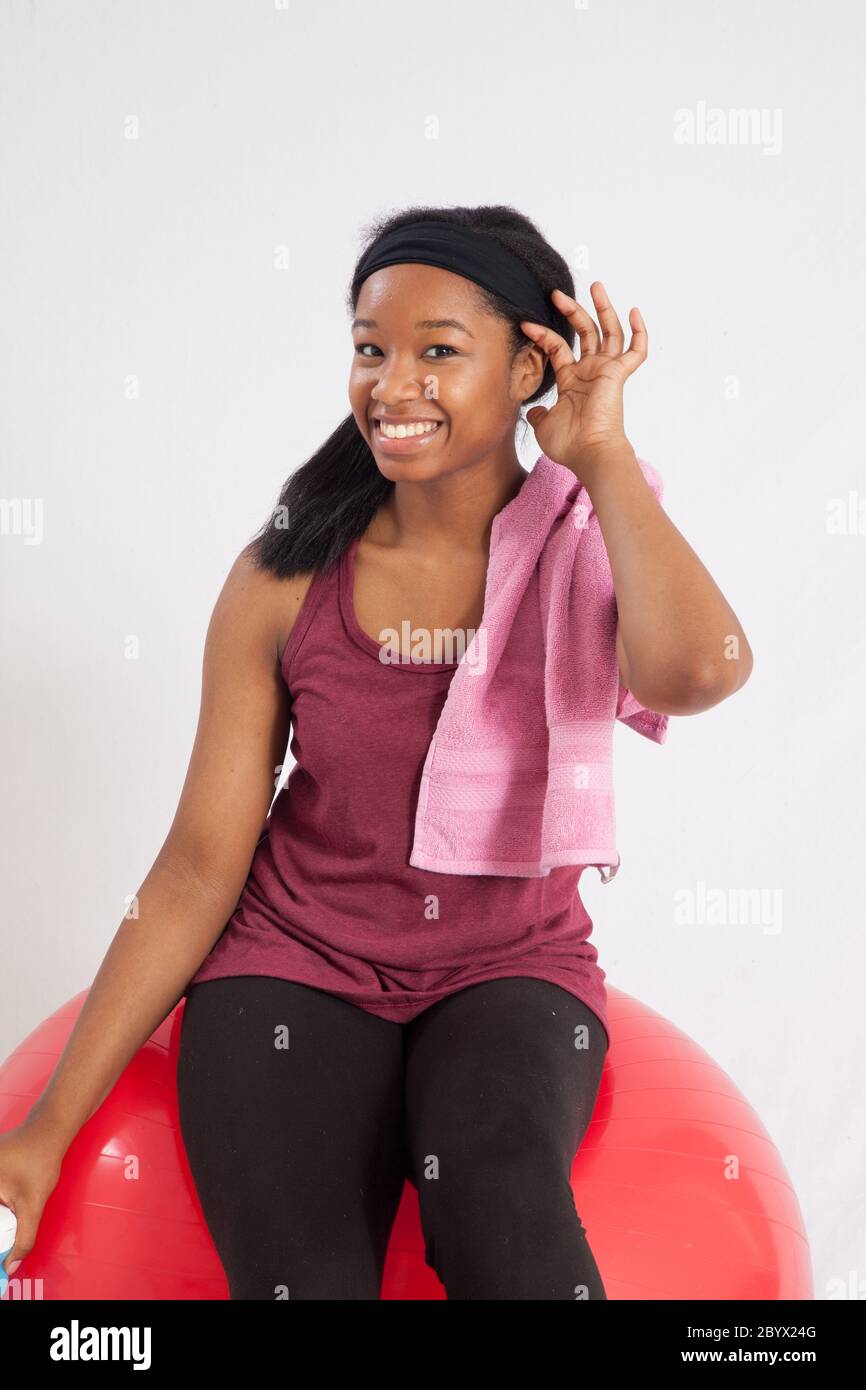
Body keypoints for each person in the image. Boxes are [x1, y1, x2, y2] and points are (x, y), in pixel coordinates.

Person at [0, 204, 753, 1300]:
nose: (391, 385)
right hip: (293, 962)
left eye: (438, 350)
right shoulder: (283, 576)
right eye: (369, 348)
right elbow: (200, 864)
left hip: (511, 965)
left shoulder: (584, 539)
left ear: (528, 365)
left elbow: (700, 672)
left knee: (506, 1212)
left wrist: (603, 458)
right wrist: (43, 1129)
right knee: (302, 1278)